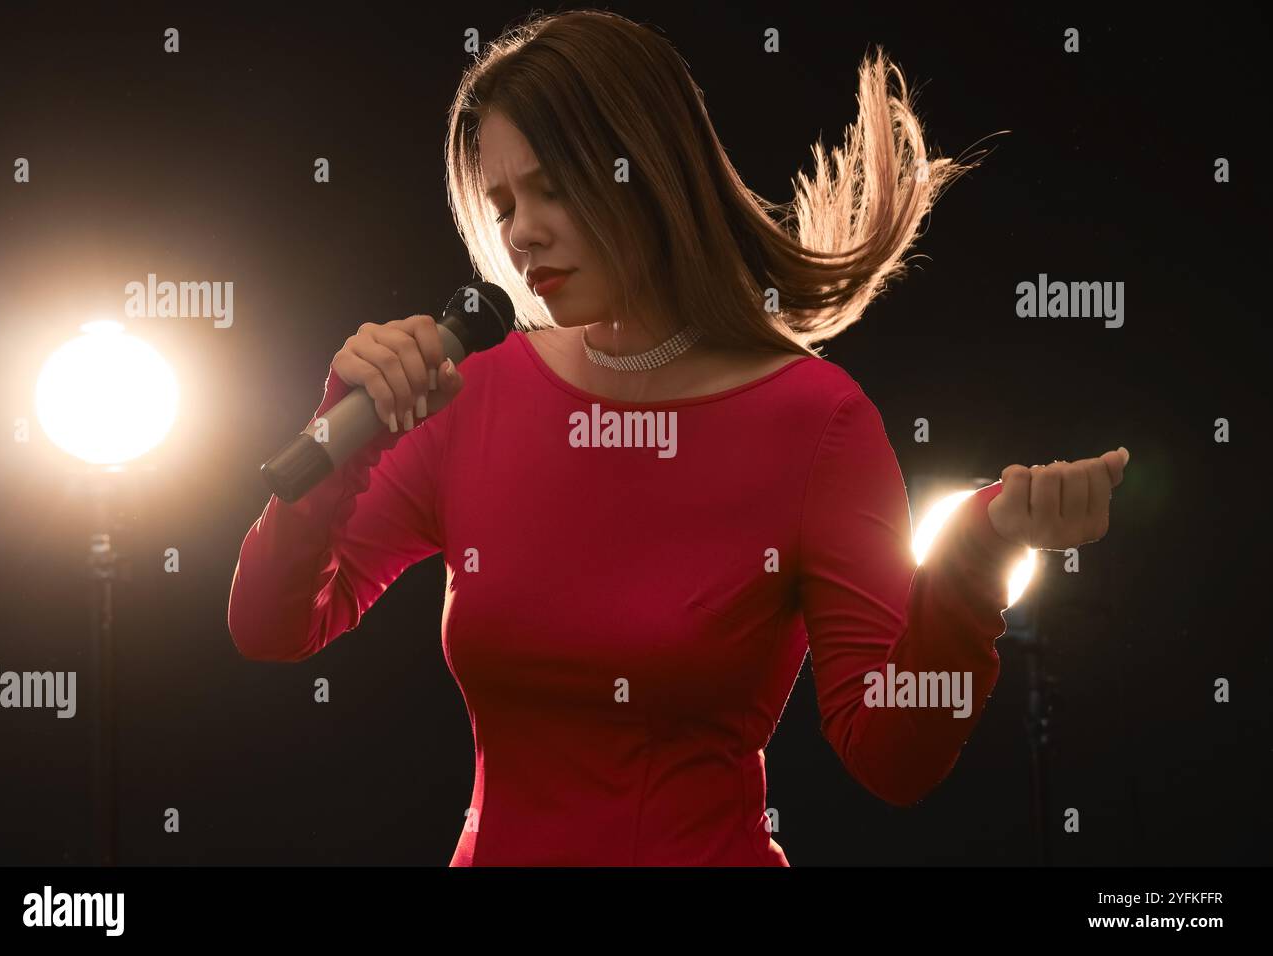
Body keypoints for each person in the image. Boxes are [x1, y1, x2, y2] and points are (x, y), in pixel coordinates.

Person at [227, 10, 1128, 865]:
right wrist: (337, 438)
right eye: (501, 204)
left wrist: (972, 564)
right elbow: (272, 629)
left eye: (553, 185)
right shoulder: (471, 394)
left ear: (648, 168)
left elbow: (890, 756)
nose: (522, 231)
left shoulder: (815, 421)